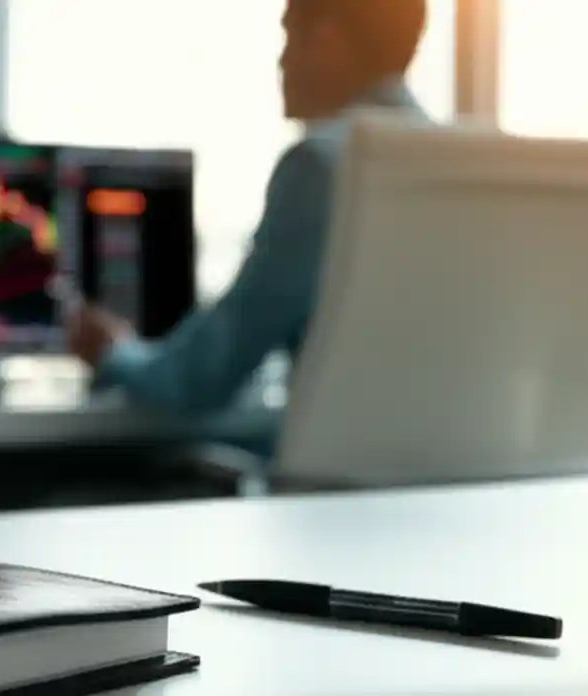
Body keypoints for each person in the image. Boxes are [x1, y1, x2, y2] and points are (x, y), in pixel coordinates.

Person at [66, 0, 431, 459]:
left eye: (289, 36)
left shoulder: (321, 167)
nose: (281, 60)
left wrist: (115, 352)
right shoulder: (471, 167)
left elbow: (202, 378)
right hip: (463, 495)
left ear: (327, 39)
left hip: (336, 496)